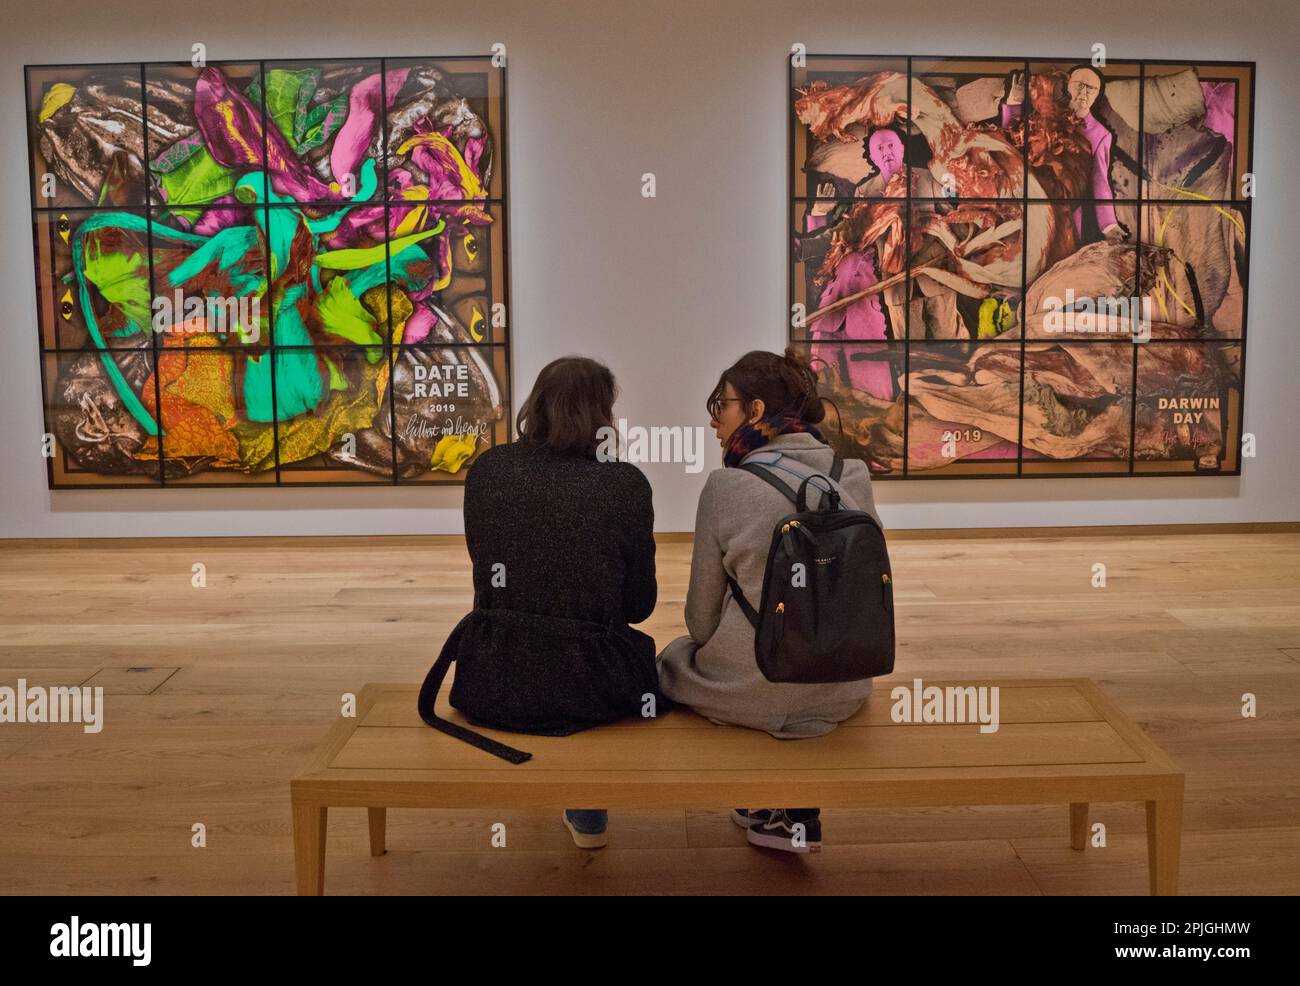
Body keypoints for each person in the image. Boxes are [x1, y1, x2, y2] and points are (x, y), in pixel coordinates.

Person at [656, 348, 882, 853]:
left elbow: (701, 619)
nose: (714, 421)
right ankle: (780, 806)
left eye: (723, 405)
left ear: (755, 412)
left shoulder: (728, 486)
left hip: (762, 682)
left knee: (672, 661)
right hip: (847, 684)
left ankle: (766, 799)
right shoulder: (852, 475)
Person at [432, 355, 659, 849]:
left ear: (535, 407)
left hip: (495, 674)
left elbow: (487, 573)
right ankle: (586, 807)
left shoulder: (488, 470)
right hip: (593, 682)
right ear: (602, 416)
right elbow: (639, 606)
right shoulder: (624, 484)